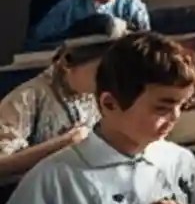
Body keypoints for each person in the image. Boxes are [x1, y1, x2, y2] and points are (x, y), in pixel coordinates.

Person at [0, 32, 195, 204]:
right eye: (162, 108)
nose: (175, 119)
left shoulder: (180, 161)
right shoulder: (53, 178)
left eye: (182, 106)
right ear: (109, 103)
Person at [0, 27, 125, 177]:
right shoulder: (26, 98)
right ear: (67, 62)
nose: (108, 81)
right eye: (100, 72)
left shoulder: (98, 95)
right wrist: (62, 144)